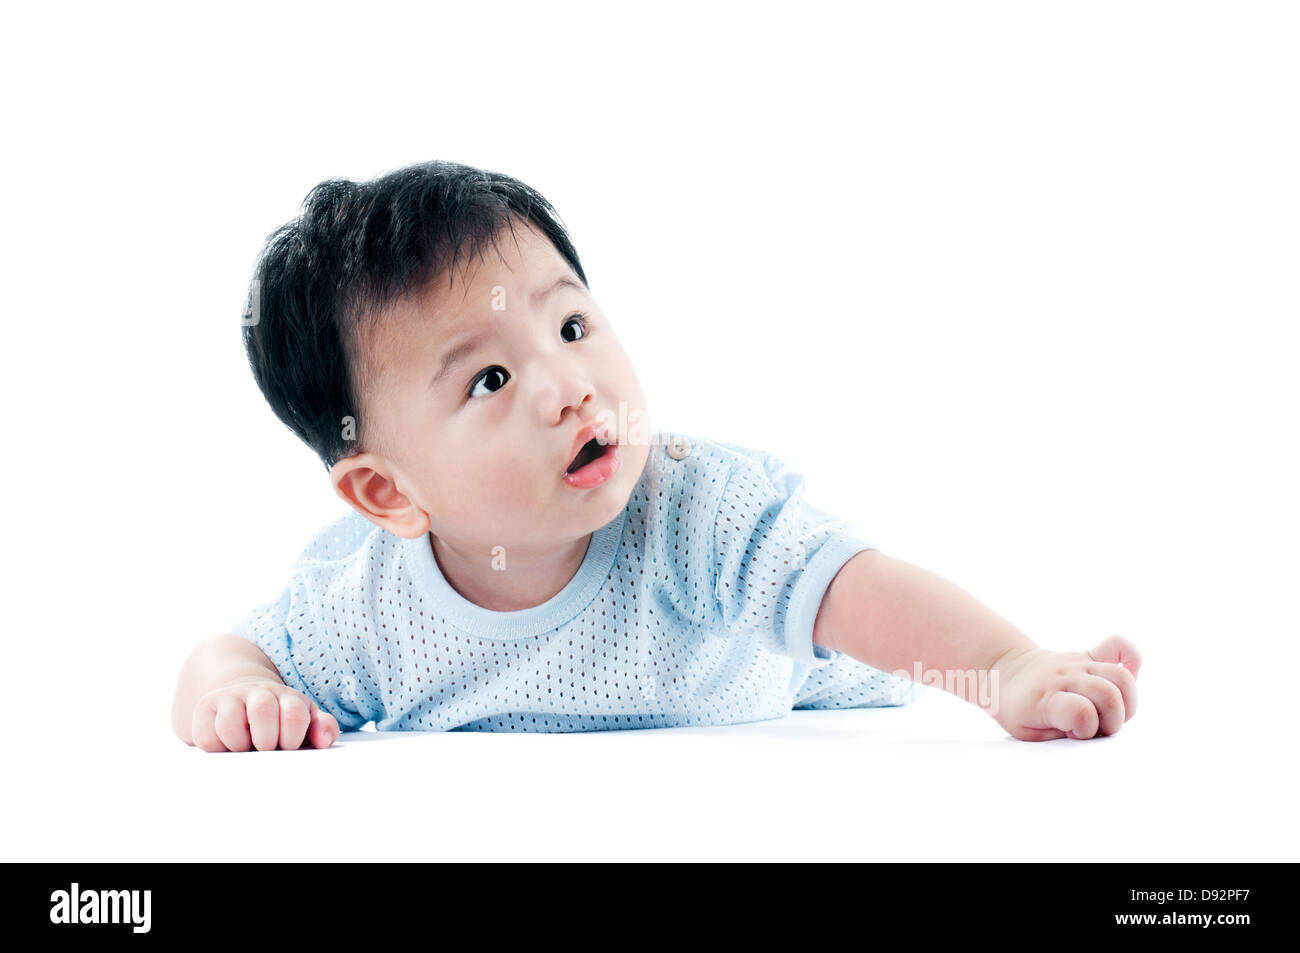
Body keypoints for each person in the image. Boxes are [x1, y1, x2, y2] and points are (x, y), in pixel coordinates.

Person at [171, 160, 1141, 750]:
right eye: (490, 381)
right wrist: (235, 695)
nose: (566, 385)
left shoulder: (695, 506)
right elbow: (233, 653)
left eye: (570, 323)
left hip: (821, 681)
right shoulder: (369, 609)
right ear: (388, 489)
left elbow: (854, 588)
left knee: (856, 624)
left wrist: (1004, 666)